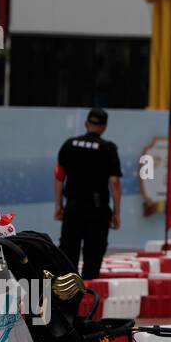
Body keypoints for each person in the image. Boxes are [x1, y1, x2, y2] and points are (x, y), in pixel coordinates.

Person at [53, 108, 122, 280]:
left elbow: (59, 178)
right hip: (97, 210)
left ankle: (69, 301)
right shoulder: (108, 149)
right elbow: (114, 182)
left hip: (73, 208)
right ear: (104, 127)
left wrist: (59, 205)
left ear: (86, 124)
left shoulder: (69, 145)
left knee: (68, 257)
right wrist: (117, 212)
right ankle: (89, 301)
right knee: (93, 257)